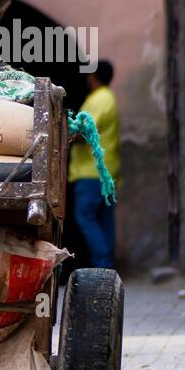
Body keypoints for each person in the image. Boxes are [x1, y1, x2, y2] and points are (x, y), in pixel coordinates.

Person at [69, 60, 120, 270]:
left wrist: (69, 134)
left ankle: (102, 265)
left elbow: (87, 131)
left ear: (93, 77)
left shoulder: (99, 99)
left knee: (85, 216)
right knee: (103, 219)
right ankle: (107, 267)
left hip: (91, 172)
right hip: (105, 171)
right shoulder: (108, 98)